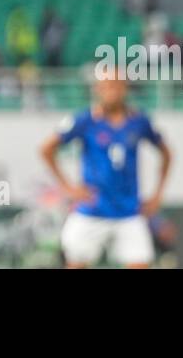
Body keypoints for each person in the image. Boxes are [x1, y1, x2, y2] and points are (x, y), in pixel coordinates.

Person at [39, 76, 172, 269]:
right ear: (98, 90)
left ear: (125, 88)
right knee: (76, 263)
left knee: (140, 263)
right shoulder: (84, 120)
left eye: (117, 85)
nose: (112, 91)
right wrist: (68, 188)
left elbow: (166, 153)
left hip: (129, 211)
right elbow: (47, 149)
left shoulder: (139, 121)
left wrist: (158, 195)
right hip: (92, 209)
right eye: (107, 86)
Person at [38, 1, 68, 68]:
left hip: (57, 50)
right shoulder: (44, 24)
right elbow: (41, 37)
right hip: (48, 51)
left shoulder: (58, 23)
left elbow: (64, 31)